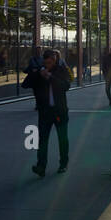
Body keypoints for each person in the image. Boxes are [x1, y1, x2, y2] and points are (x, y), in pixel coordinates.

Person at [31, 48, 71, 177]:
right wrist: (38, 74)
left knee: (62, 138)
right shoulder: (40, 71)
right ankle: (41, 166)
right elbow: (25, 84)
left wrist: (50, 77)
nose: (48, 65)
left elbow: (66, 86)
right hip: (45, 112)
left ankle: (63, 164)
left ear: (55, 61)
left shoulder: (62, 70)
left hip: (59, 111)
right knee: (43, 139)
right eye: (46, 62)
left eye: (51, 62)